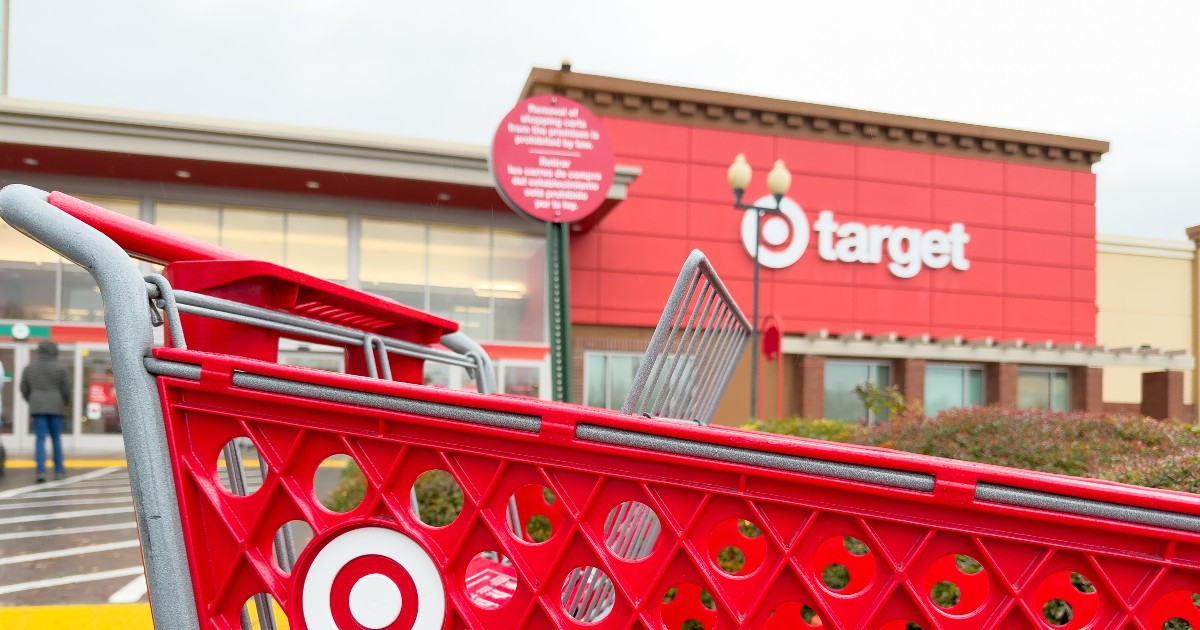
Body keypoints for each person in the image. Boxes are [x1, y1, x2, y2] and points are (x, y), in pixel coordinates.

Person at [20, 341, 70, 482]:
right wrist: (63, 402)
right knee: (56, 438)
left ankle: (40, 471)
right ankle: (59, 470)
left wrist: (32, 400)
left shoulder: (29, 368)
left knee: (40, 439)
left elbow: (23, 387)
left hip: (38, 408)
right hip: (56, 407)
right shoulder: (60, 369)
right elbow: (66, 389)